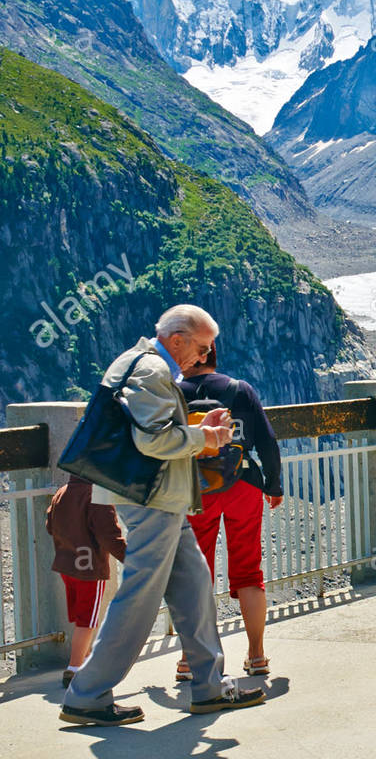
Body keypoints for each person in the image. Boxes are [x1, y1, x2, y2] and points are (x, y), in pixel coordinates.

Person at [60, 305, 266, 726]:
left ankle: (209, 685)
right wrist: (205, 437)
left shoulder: (140, 362)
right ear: (178, 340)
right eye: (202, 346)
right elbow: (154, 441)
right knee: (139, 596)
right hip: (152, 498)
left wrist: (196, 428)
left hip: (160, 497)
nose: (204, 356)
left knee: (193, 584)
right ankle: (87, 693)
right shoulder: (153, 370)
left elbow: (151, 430)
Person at [177, 341, 284, 679]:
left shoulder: (174, 393)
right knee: (249, 571)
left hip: (196, 489)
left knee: (195, 574)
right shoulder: (241, 390)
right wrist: (273, 485)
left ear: (199, 354)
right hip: (244, 484)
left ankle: (189, 659)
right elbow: (267, 441)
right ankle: (256, 656)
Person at [45, 475, 125, 688]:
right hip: (89, 566)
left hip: (66, 563)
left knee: (80, 617)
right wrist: (132, 557)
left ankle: (85, 659)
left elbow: (50, 525)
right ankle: (74, 669)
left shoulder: (62, 492)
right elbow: (109, 535)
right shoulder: (97, 494)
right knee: (88, 620)